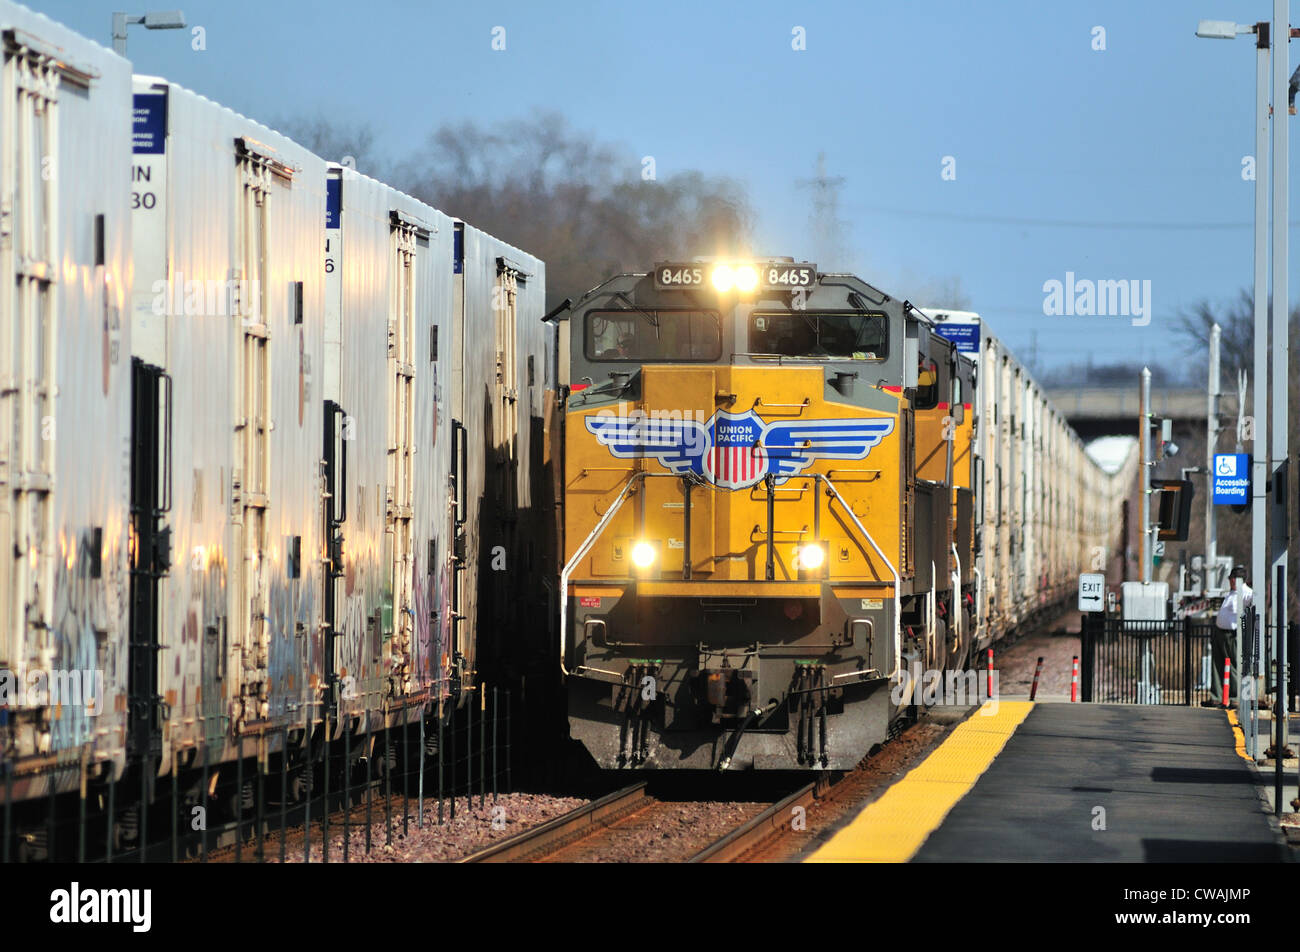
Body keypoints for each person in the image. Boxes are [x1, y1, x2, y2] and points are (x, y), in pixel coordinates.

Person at [1212, 566, 1252, 703]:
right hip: (1220, 632)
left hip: (1233, 634)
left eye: (1231, 578)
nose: (1229, 581)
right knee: (1217, 664)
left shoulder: (1246, 592)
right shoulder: (1231, 593)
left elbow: (1253, 600)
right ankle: (1216, 696)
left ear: (1235, 580)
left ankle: (1236, 696)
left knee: (1235, 665)